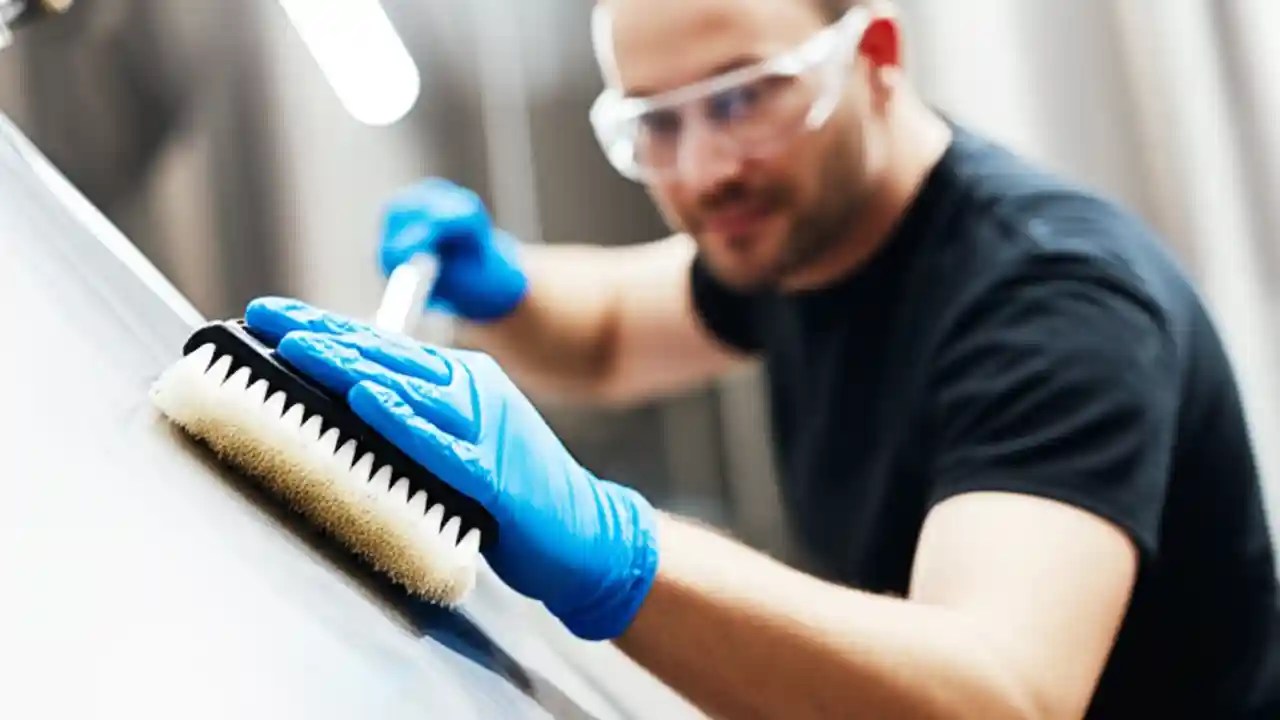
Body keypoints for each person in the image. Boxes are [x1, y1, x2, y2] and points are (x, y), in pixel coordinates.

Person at [245, 0, 1280, 716]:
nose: (701, 172)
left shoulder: (1053, 303)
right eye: (655, 123)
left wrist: (616, 550)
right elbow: (606, 330)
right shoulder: (803, 237)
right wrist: (503, 283)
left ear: (874, 53)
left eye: (743, 96)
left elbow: (996, 697)